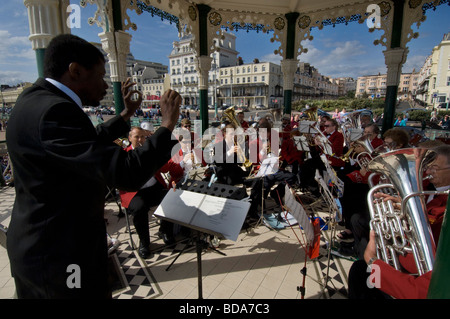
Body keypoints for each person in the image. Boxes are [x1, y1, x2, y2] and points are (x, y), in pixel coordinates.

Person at [5, 34, 181, 299]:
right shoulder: (55, 112)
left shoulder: (36, 100)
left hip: (43, 246)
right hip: (61, 255)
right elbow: (127, 172)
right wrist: (167, 124)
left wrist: (125, 115)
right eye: (100, 76)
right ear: (75, 71)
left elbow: (84, 145)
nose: (105, 85)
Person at [348, 144, 450, 299]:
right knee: (360, 267)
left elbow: (421, 290)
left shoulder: (444, 205)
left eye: (435, 167)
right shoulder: (430, 191)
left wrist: (373, 260)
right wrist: (405, 210)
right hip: (405, 260)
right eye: (428, 167)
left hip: (413, 271)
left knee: (361, 270)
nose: (428, 171)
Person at [119, 127, 184, 258]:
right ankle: (144, 242)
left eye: (143, 137)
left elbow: (165, 169)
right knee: (139, 208)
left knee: (171, 198)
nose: (140, 140)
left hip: (154, 187)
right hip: (134, 192)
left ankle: (165, 230)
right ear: (130, 138)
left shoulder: (150, 152)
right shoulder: (123, 155)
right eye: (137, 137)